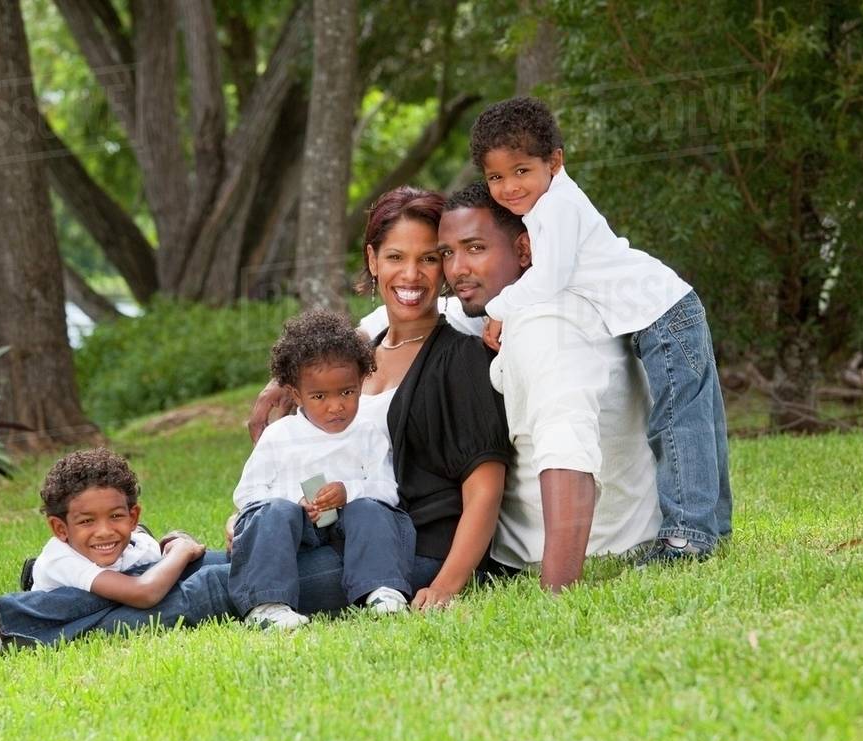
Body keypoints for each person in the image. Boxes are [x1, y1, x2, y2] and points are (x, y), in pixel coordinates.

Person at [469, 96, 732, 564]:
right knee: (697, 418)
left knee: (677, 421)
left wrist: (500, 307)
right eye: (496, 177)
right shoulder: (549, 206)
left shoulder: (556, 209)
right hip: (669, 309)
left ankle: (688, 536)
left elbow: (550, 278)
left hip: (663, 314)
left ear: (555, 161)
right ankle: (711, 527)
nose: (509, 187)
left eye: (521, 171)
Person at [248, 186, 514, 613]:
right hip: (338, 536)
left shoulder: (460, 358)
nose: (411, 275)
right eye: (395, 258)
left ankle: (108, 605)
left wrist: (447, 583)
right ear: (373, 261)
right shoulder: (355, 357)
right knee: (224, 566)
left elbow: (485, 488)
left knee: (216, 587)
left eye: (429, 258)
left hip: (414, 551)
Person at [435, 182, 662, 584]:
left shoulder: (547, 325)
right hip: (538, 547)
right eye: (447, 254)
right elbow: (426, 313)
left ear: (524, 250)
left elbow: (567, 450)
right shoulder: (509, 304)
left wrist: (556, 593)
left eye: (474, 248)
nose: (456, 270)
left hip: (584, 553)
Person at [0, 448, 233, 660]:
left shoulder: (138, 543)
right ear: (61, 529)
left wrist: (174, 544)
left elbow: (152, 560)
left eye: (116, 517)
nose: (104, 531)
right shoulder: (60, 557)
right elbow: (144, 593)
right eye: (87, 521)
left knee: (205, 569)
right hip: (74, 620)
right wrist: (182, 550)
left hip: (110, 604)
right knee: (159, 584)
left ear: (134, 517)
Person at [230, 309, 416, 629]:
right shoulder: (280, 435)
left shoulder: (367, 433)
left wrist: (349, 492)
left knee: (375, 510)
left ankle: (382, 590)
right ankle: (267, 606)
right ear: (296, 395)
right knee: (271, 512)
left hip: (349, 530)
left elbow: (388, 488)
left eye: (347, 392)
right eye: (319, 396)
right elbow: (247, 494)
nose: (336, 406)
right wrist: (294, 501)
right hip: (295, 529)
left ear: (361, 382)